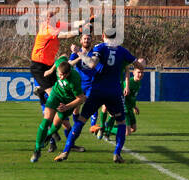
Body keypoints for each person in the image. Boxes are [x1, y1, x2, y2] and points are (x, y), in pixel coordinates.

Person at [55, 33, 146, 163]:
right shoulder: (122, 50)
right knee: (121, 123)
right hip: (114, 92)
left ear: (103, 35)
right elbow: (140, 66)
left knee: (81, 120)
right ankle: (117, 154)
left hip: (97, 90)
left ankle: (66, 151)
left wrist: (80, 54)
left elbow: (92, 64)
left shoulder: (100, 48)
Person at [32, 55, 87, 163]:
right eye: (59, 74)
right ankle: (37, 149)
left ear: (68, 73)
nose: (60, 77)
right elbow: (62, 57)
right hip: (56, 95)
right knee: (47, 119)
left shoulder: (74, 80)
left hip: (67, 102)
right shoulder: (59, 65)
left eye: (63, 76)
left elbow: (81, 98)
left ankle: (48, 136)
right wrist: (50, 70)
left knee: (55, 125)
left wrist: (66, 106)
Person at [29, 16, 83, 107]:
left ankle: (41, 91)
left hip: (48, 65)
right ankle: (57, 113)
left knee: (58, 86)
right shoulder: (46, 29)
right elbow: (65, 35)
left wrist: (89, 20)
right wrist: (80, 31)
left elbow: (72, 24)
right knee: (54, 95)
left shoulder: (56, 24)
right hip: (38, 65)